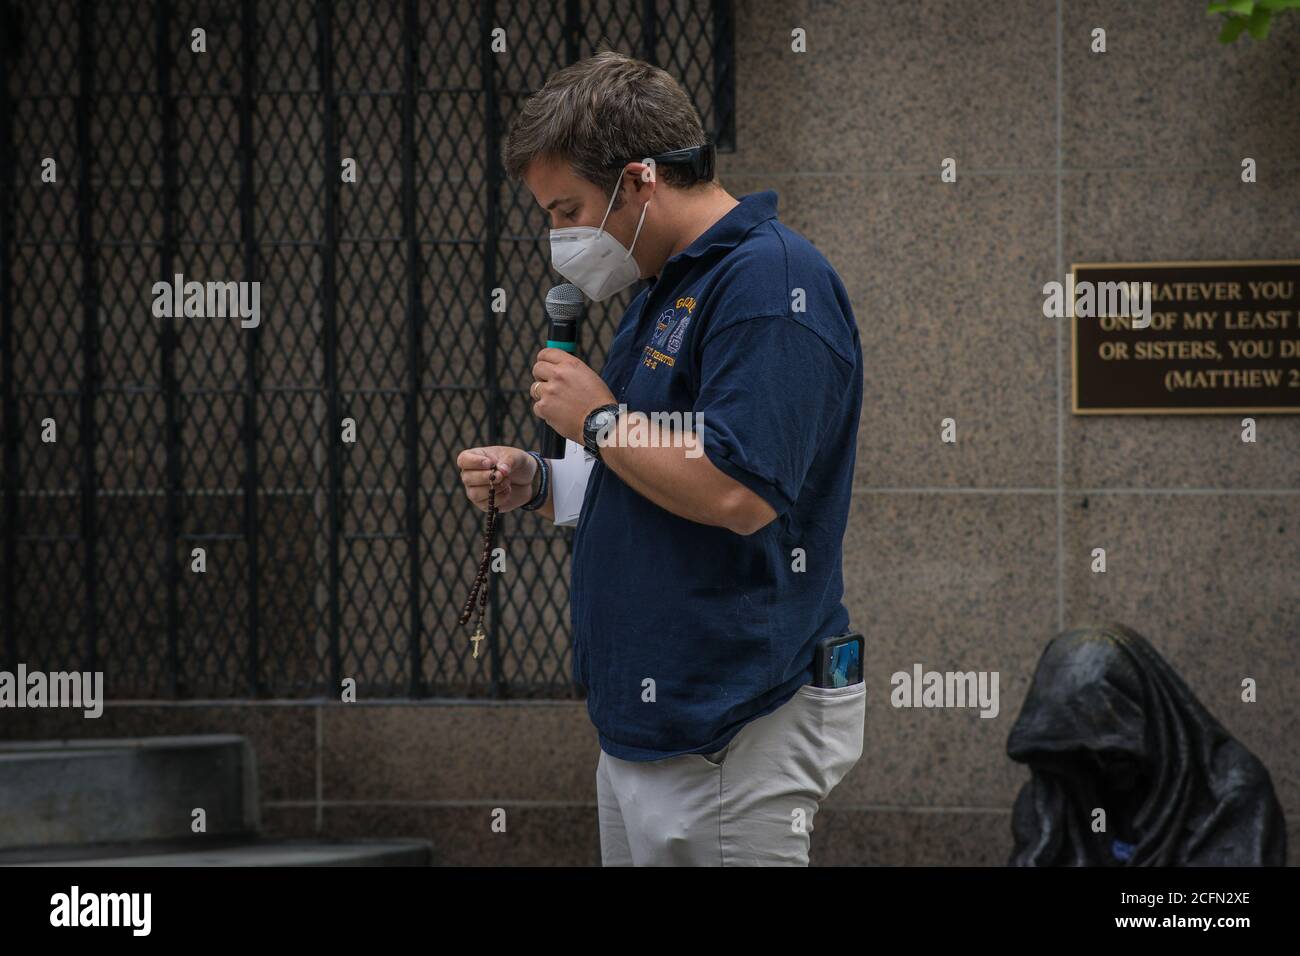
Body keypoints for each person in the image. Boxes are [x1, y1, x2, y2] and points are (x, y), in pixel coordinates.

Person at [455, 51, 865, 865]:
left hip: (731, 722)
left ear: (641, 181)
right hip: (652, 725)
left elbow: (739, 488)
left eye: (567, 207)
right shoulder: (665, 286)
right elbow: (649, 473)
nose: (558, 237)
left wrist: (600, 418)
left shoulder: (770, 284)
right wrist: (539, 481)